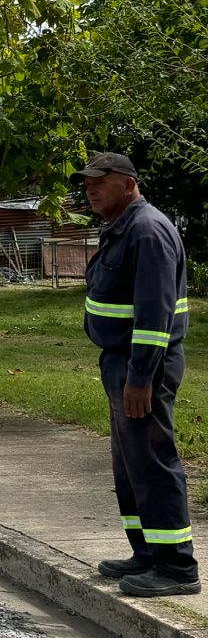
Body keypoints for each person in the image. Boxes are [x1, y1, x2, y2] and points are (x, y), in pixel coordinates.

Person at [79, 152, 197, 598]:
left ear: (128, 184)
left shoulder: (147, 231)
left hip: (142, 364)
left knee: (152, 461)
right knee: (129, 465)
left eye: (100, 181)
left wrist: (140, 377)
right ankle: (147, 552)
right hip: (121, 361)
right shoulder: (120, 227)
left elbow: (155, 315)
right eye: (87, 182)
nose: (90, 188)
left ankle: (177, 566)